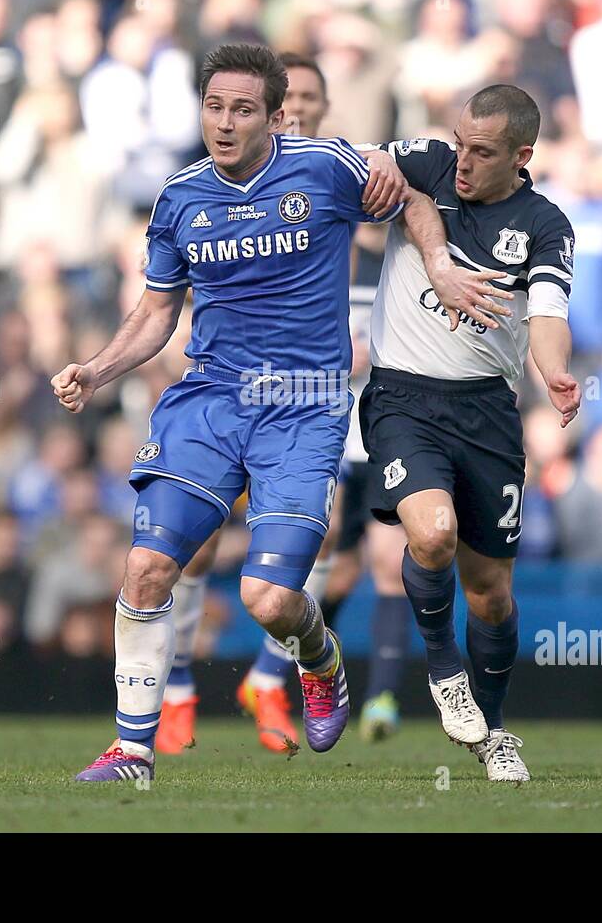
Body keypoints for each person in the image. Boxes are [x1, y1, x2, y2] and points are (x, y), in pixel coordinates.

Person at [51, 44, 504, 781]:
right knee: (145, 569)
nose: (224, 123)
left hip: (303, 409)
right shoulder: (180, 197)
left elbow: (416, 201)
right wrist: (98, 369)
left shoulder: (324, 169)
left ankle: (318, 657)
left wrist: (442, 266)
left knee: (268, 599)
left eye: (242, 109)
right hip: (209, 399)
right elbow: (159, 307)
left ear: (274, 115)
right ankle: (132, 751)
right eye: (213, 107)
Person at [155, 53, 411, 755]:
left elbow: (412, 194)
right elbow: (170, 298)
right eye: (285, 96)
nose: (293, 108)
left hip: (340, 408)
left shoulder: (343, 183)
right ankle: (177, 686)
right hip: (235, 398)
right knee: (197, 542)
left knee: (338, 551)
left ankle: (277, 673)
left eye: (306, 98)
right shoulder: (208, 190)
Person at [359, 85, 581, 782]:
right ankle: (443, 670)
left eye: (481, 152)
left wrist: (556, 374)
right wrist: (375, 164)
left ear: (521, 156)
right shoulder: (427, 162)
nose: (463, 161)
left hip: (487, 410)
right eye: (461, 142)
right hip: (403, 397)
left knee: (490, 593)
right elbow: (358, 161)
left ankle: (494, 730)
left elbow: (546, 311)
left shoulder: (545, 224)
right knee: (430, 533)